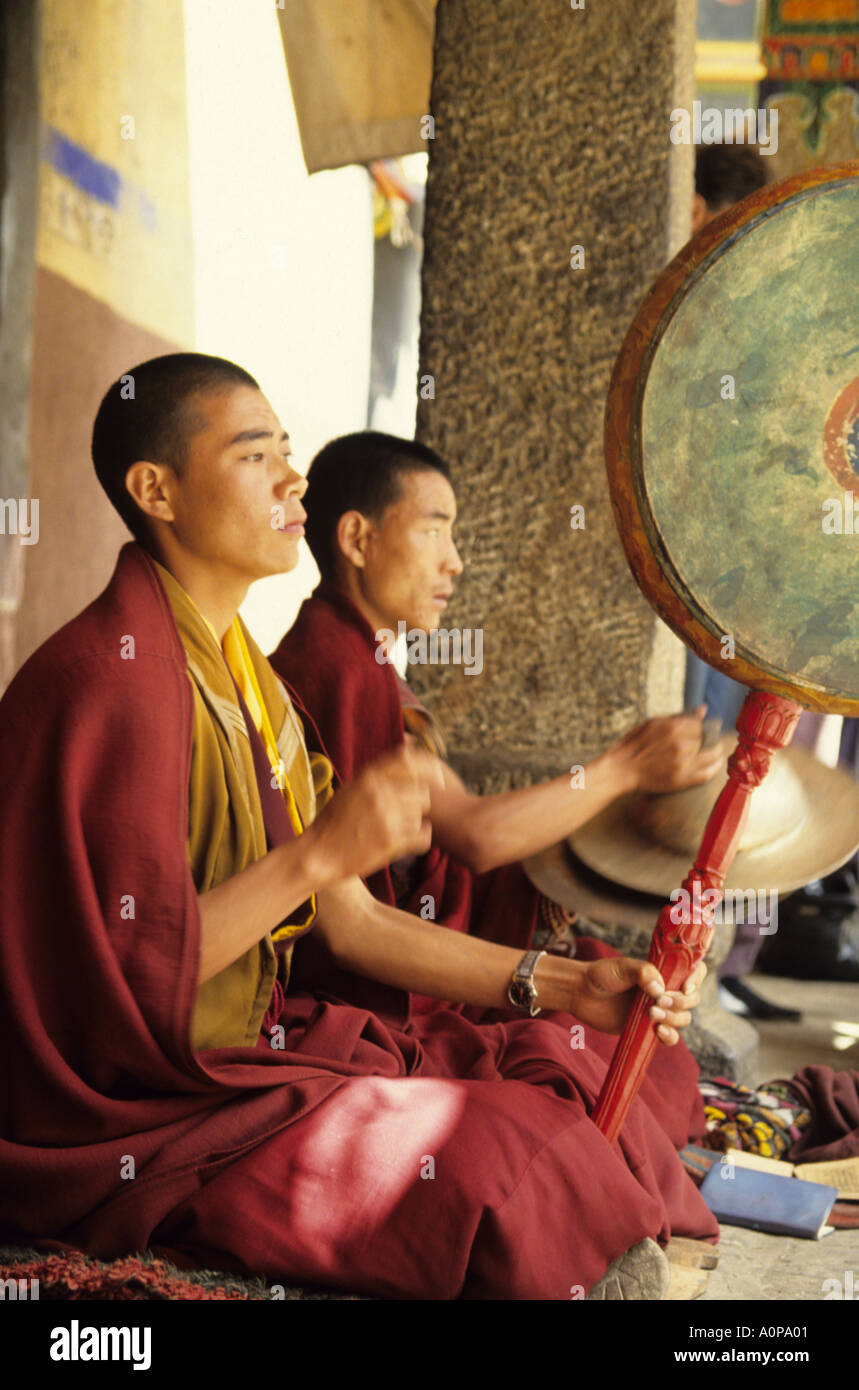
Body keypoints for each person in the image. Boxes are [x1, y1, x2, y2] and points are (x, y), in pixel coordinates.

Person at [0, 353, 718, 1300]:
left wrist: (566, 984)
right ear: (156, 490)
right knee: (507, 1158)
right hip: (141, 1110)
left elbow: (350, 919)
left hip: (254, 1059)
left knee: (548, 1092)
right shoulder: (107, 680)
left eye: (287, 451)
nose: (291, 477)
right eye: (257, 455)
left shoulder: (251, 684)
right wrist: (312, 854)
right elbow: (119, 991)